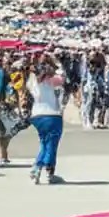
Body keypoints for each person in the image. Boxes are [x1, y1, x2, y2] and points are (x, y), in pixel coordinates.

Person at [27, 54, 65, 184]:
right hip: (51, 114)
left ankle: (40, 169)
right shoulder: (51, 80)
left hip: (37, 114)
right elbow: (62, 76)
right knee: (51, 144)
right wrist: (56, 61)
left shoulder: (31, 80)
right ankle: (44, 169)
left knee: (44, 142)